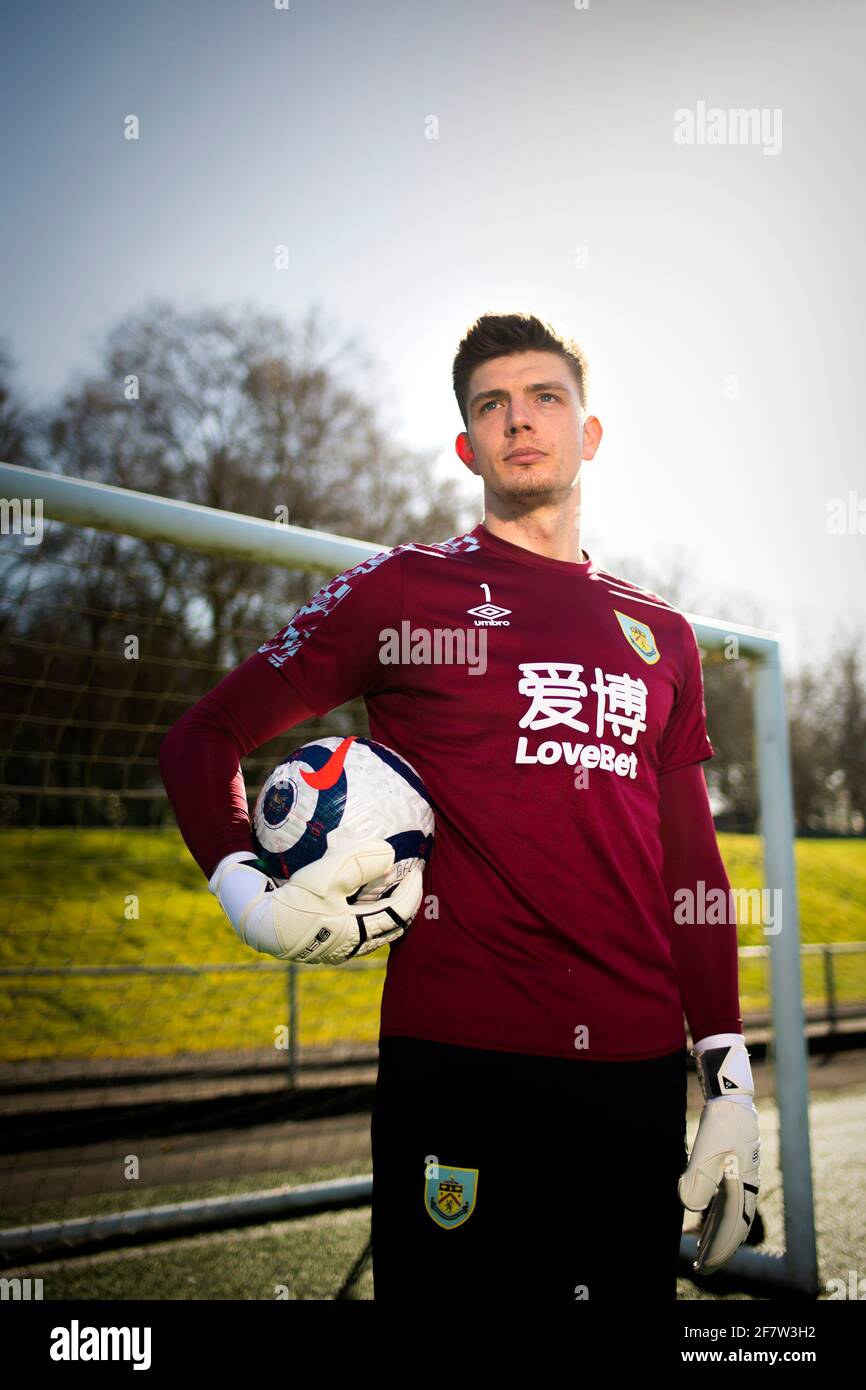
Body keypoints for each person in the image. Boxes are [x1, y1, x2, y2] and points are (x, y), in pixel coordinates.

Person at [160, 312, 760, 1301]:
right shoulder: (403, 592)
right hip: (458, 1060)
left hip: (631, 1069)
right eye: (493, 404)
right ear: (466, 442)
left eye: (544, 398)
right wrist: (242, 885)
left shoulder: (661, 634)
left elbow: (688, 864)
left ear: (588, 432)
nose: (519, 420)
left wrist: (726, 1070)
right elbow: (201, 736)